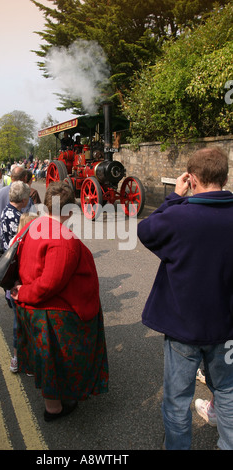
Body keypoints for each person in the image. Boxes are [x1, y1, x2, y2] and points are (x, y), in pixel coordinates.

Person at [137, 147, 233, 450]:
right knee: (229, 393)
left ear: (190, 178)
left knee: (178, 401)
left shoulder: (178, 214)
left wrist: (174, 197)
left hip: (183, 329)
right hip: (227, 327)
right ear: (224, 175)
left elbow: (145, 231)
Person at [10, 181, 109, 421]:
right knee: (57, 360)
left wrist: (22, 293)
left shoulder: (33, 226)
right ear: (71, 211)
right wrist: (24, 294)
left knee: (46, 361)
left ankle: (53, 404)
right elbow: (49, 284)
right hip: (50, 309)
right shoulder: (64, 241)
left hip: (32, 305)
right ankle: (54, 409)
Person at [0, 182, 31, 373]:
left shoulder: (6, 211)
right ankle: (23, 360)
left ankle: (17, 358)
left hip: (10, 271)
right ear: (25, 199)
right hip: (18, 272)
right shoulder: (20, 218)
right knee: (23, 320)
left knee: (19, 320)